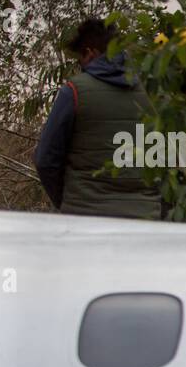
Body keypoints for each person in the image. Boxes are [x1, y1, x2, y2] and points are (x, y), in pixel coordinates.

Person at [33, 19, 161, 219]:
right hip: (146, 218)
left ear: (90, 53)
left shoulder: (74, 91)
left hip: (85, 219)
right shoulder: (152, 92)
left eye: (79, 59)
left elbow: (45, 160)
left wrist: (68, 201)